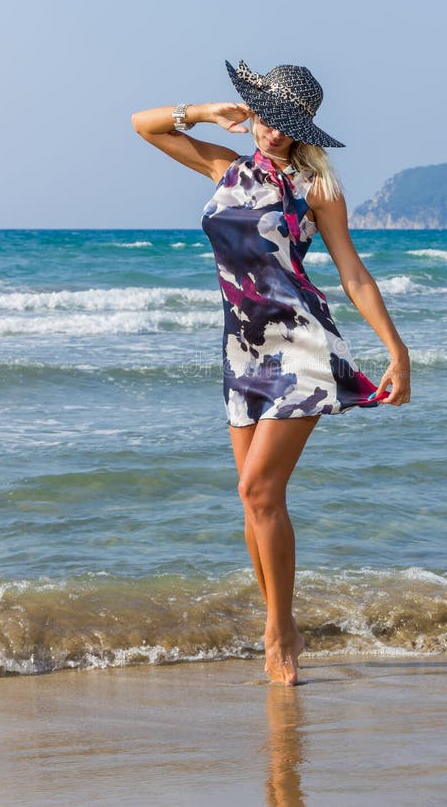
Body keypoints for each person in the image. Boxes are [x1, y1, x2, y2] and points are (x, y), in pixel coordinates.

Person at [131, 60, 411, 685]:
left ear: (304, 129)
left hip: (300, 346)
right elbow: (143, 125)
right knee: (255, 503)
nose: (272, 134)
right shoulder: (226, 168)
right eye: (266, 118)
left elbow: (353, 274)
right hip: (242, 351)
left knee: (258, 492)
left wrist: (397, 349)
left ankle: (280, 630)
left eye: (287, 125)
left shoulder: (317, 189)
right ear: (252, 110)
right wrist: (206, 112)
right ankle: (278, 622)